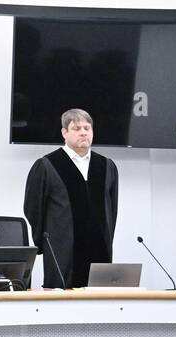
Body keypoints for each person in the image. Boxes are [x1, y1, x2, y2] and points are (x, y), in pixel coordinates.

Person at [24, 107, 119, 288]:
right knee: (63, 299)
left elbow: (112, 210)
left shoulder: (106, 166)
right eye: (77, 128)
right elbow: (33, 208)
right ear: (64, 133)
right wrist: (45, 241)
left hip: (99, 249)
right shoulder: (47, 165)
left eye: (87, 128)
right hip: (63, 250)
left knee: (100, 299)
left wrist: (107, 238)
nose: (83, 133)